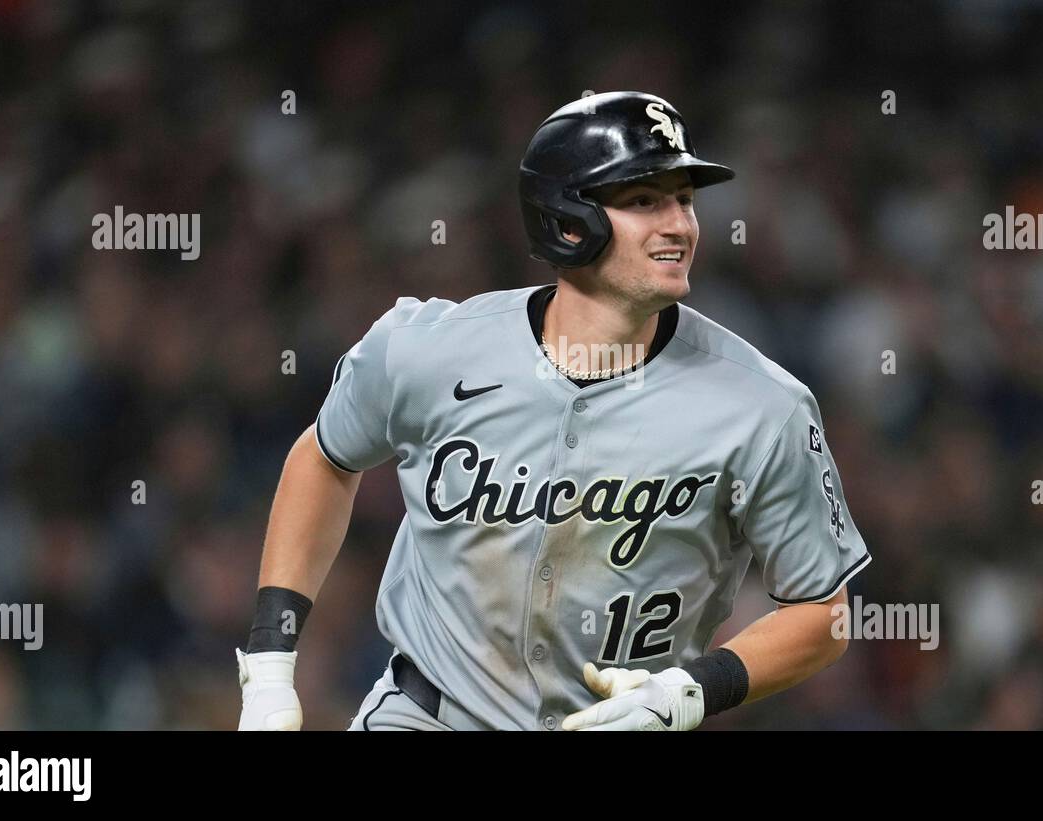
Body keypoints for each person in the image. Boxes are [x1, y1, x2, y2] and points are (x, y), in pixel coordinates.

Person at [236, 91, 871, 731]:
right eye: (644, 200)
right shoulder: (426, 349)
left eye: (684, 200)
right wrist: (269, 662)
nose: (679, 224)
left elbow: (825, 611)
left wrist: (692, 689)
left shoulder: (763, 406)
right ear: (568, 221)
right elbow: (325, 458)